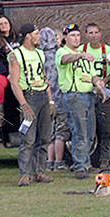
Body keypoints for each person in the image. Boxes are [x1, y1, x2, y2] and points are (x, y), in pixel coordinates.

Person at [7, 23, 52, 186]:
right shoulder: (16, 55)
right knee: (28, 138)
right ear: (28, 36)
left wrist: (51, 99)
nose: (39, 37)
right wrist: (24, 104)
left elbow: (44, 76)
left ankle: (40, 171)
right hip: (30, 96)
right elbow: (14, 82)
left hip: (42, 95)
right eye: (37, 34)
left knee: (45, 137)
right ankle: (25, 174)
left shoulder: (40, 53)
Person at [56, 24, 95, 178]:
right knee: (79, 132)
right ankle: (79, 165)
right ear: (65, 37)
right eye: (72, 35)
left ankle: (86, 162)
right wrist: (80, 55)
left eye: (78, 35)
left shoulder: (83, 54)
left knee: (90, 133)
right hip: (74, 96)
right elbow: (65, 60)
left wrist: (99, 82)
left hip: (88, 94)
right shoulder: (62, 52)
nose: (76, 38)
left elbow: (91, 74)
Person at [83, 23, 110, 169]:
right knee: (88, 129)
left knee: (107, 128)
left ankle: (106, 159)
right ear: (86, 35)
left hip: (106, 93)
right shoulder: (82, 50)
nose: (93, 36)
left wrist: (105, 81)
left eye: (96, 32)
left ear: (100, 33)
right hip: (87, 93)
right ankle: (86, 160)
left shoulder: (108, 51)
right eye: (90, 33)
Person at [42, 27, 68, 171]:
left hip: (46, 100)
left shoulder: (38, 56)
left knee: (50, 132)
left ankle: (49, 161)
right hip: (60, 98)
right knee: (61, 132)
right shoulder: (59, 54)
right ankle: (59, 162)